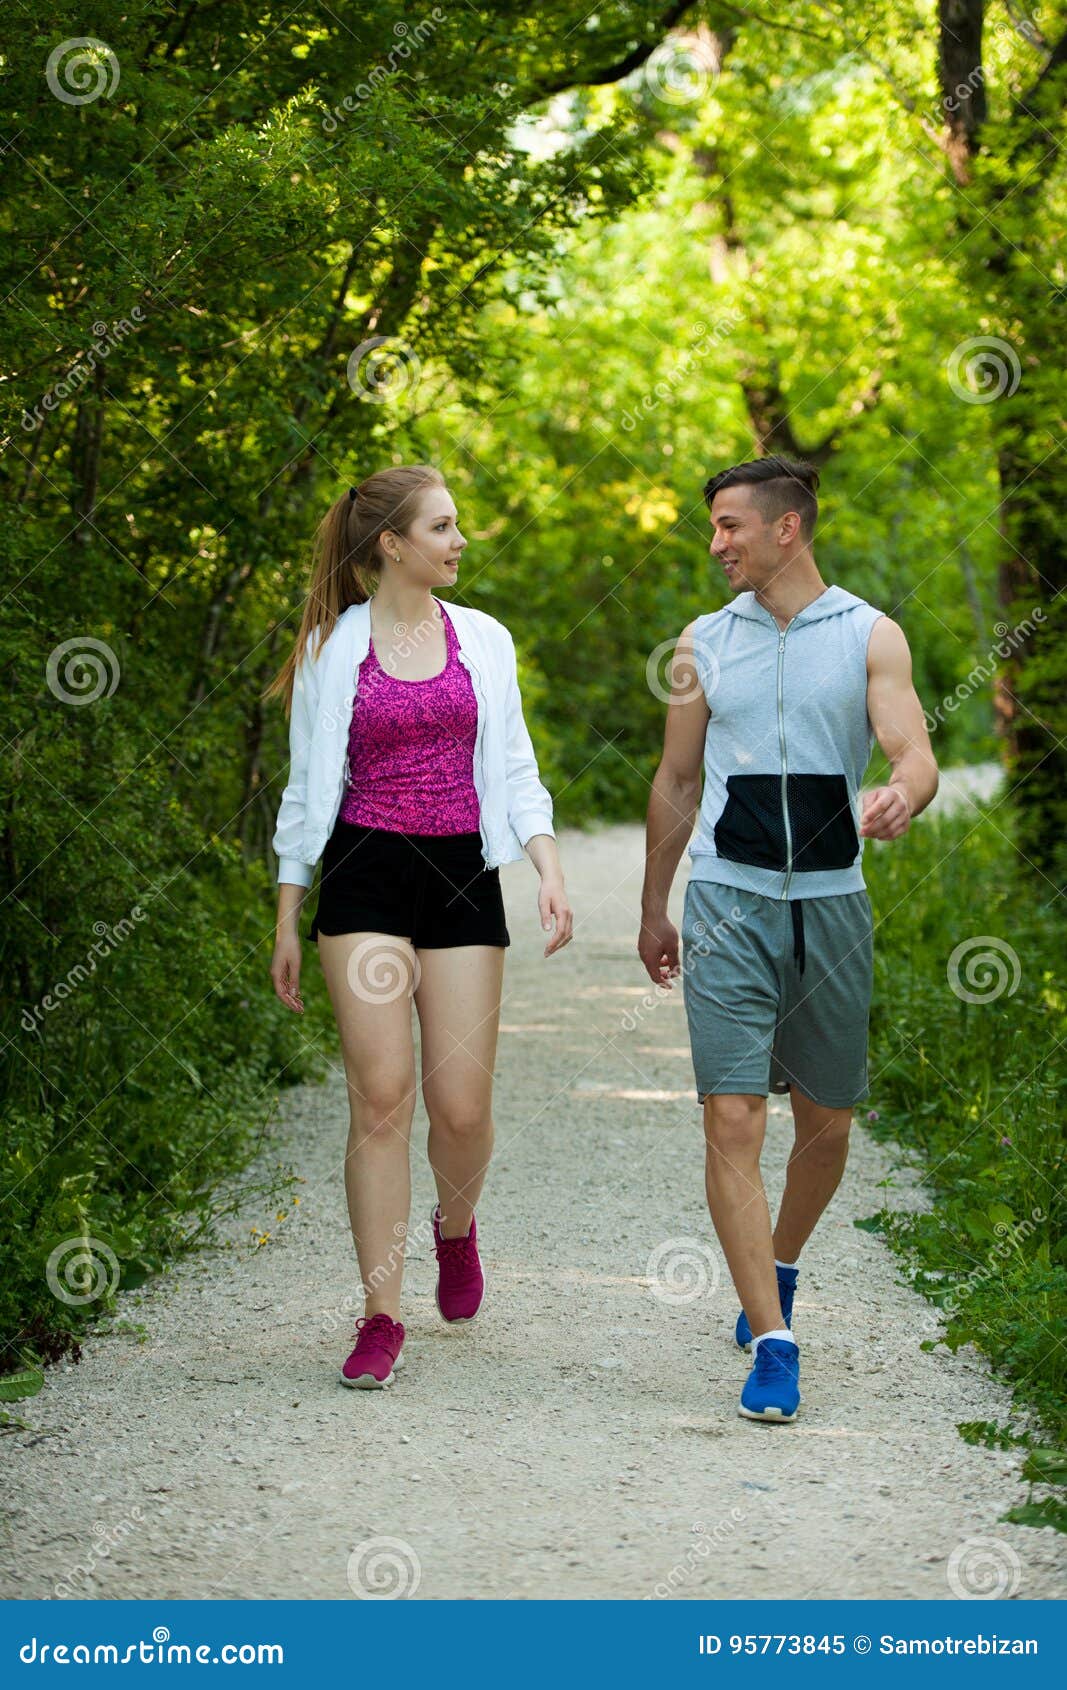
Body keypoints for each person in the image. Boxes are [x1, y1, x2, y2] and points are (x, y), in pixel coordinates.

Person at [638, 456, 938, 1423]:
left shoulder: (867, 634)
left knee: (827, 1126)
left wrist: (902, 793)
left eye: (729, 526)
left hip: (831, 906)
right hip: (726, 903)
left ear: (787, 530)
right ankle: (772, 1340)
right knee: (731, 1122)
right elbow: (677, 779)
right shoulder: (700, 642)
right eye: (713, 527)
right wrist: (655, 903)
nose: (716, 543)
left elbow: (912, 750)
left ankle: (778, 1263)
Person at [266, 464, 572, 1389]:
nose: (459, 540)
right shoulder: (333, 646)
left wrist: (548, 867)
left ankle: (455, 1227)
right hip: (362, 873)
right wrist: (288, 913)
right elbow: (303, 788)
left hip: (461, 878)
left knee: (462, 1108)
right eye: (442, 527)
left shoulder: (484, 640)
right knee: (382, 1098)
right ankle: (378, 1314)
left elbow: (514, 766)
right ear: (392, 544)